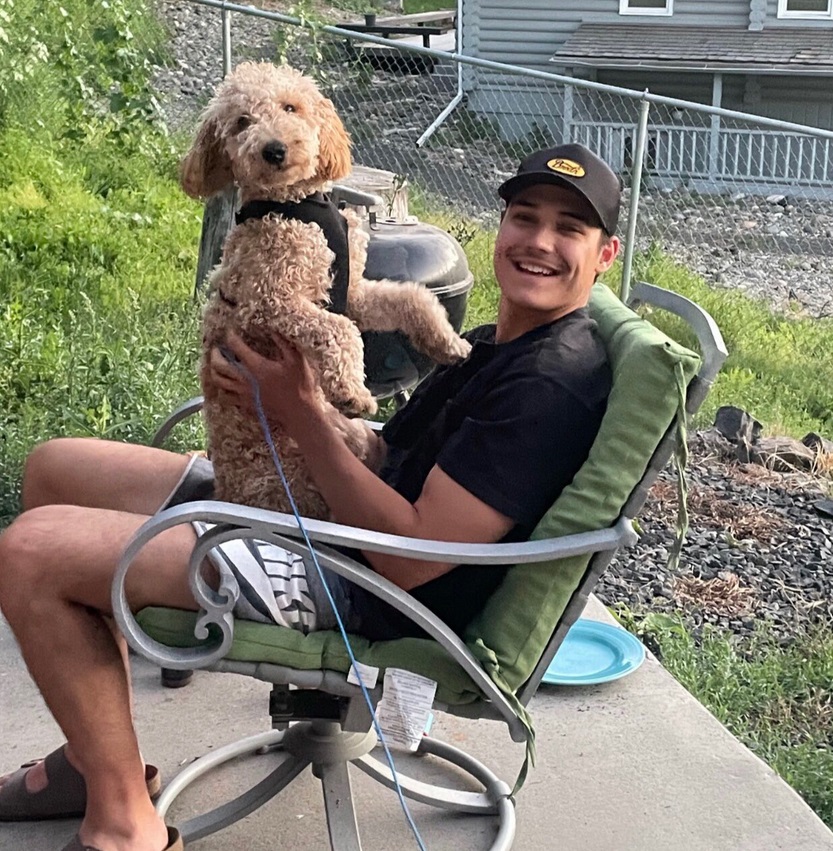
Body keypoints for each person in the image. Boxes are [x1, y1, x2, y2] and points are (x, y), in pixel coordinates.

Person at [0, 142, 621, 851]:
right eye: (525, 217)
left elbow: (412, 561)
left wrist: (298, 412)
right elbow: (391, 452)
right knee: (54, 468)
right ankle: (94, 759)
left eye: (569, 228)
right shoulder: (497, 343)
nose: (539, 242)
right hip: (329, 512)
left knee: (32, 551)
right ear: (501, 224)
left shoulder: (546, 386)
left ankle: (122, 823)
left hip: (361, 582)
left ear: (604, 254)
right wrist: (296, 413)